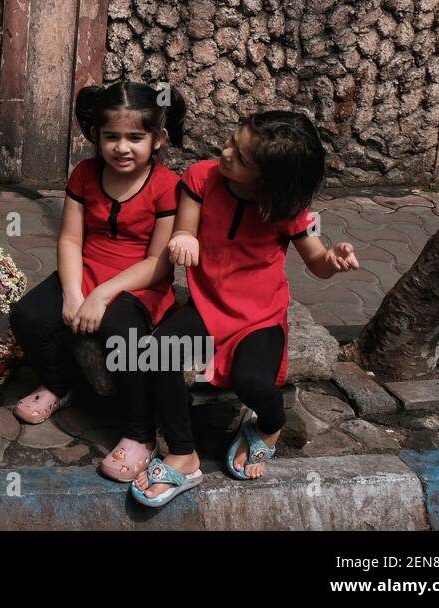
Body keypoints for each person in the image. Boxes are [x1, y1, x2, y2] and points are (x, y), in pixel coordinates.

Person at [131, 111, 360, 507]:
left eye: (241, 156)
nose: (226, 153)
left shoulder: (288, 211)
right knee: (156, 355)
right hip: (208, 305)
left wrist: (333, 260)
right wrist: (184, 239)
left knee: (252, 383)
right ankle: (183, 454)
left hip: (260, 316)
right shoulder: (201, 177)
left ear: (269, 179)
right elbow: (184, 228)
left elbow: (317, 263)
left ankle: (270, 426)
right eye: (232, 141)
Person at [9, 81, 184, 483]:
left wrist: (103, 296)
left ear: (157, 140)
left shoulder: (166, 185)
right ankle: (58, 384)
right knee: (28, 315)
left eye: (135, 137)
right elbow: (70, 238)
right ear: (96, 136)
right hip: (86, 271)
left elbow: (158, 263)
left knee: (123, 334)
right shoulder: (85, 174)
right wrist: (73, 293)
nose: (122, 148)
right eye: (112, 137)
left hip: (139, 283)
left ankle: (140, 434)